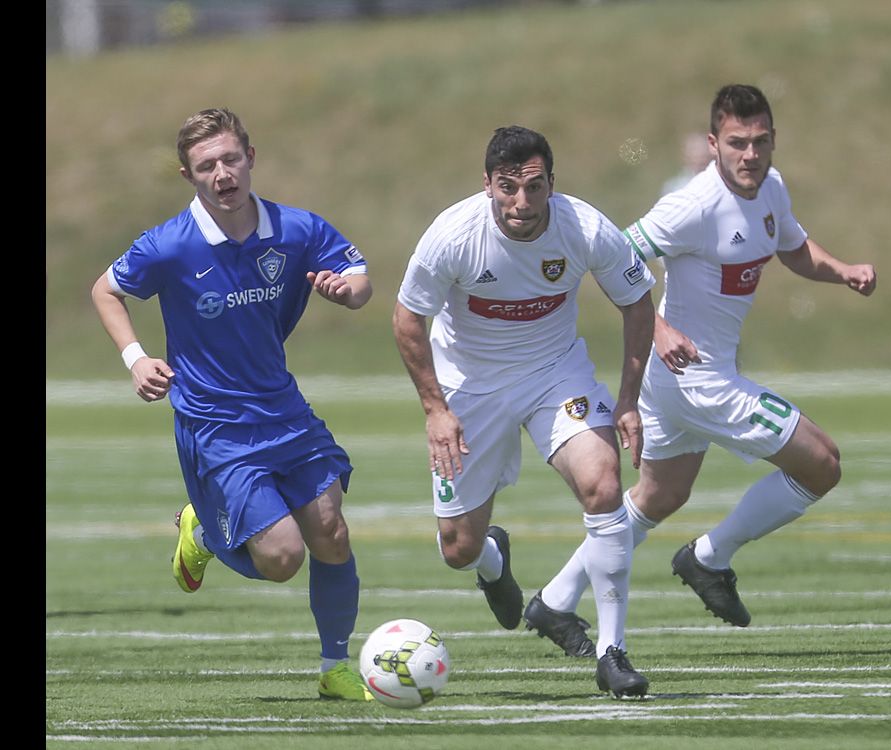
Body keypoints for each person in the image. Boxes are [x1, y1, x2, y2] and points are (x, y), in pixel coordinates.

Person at [530, 83, 877, 646]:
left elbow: (790, 246)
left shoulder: (771, 188)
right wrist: (659, 328)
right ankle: (709, 558)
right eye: (737, 143)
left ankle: (555, 600)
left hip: (678, 382)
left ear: (772, 142)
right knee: (823, 463)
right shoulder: (692, 204)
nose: (750, 155)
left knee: (659, 497)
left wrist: (842, 270)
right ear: (714, 143)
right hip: (699, 379)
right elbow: (615, 255)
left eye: (761, 142)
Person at [91, 108, 374, 702]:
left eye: (230, 159)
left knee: (331, 533)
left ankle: (334, 666)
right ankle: (204, 528)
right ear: (189, 176)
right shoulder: (170, 244)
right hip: (216, 425)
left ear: (251, 157)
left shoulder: (294, 229)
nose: (222, 174)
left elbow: (358, 274)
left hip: (284, 412)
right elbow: (106, 289)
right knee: (282, 558)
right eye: (206, 166)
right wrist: (137, 359)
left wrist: (348, 291)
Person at [391, 125, 656, 698]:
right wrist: (436, 410)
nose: (521, 202)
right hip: (469, 386)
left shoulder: (584, 227)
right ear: (487, 184)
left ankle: (613, 653)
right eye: (508, 187)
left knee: (604, 484)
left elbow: (637, 302)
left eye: (534, 187)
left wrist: (629, 400)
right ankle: (492, 559)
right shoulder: (452, 236)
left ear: (551, 186)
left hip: (553, 373)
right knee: (458, 550)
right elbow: (407, 320)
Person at [661, 131, 714, 196]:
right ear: (685, 156)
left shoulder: (720, 184)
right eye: (694, 150)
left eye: (703, 155)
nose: (698, 157)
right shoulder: (674, 187)